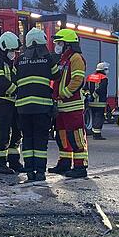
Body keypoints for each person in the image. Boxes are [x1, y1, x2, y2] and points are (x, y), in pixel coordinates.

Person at [15, 28, 59, 182]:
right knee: (40, 140)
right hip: (42, 107)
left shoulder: (19, 60)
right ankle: (40, 172)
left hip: (23, 108)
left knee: (27, 139)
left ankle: (29, 171)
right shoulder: (48, 58)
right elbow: (57, 75)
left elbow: (14, 78)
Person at [48, 29, 88, 179]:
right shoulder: (62, 59)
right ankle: (64, 163)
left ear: (68, 44)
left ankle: (80, 166)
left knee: (76, 136)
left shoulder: (76, 58)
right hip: (61, 106)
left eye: (59, 43)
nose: (57, 45)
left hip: (72, 106)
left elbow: (77, 80)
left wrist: (63, 93)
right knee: (62, 136)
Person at [0, 31, 24, 175]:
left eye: (15, 51)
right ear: (3, 47)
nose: (13, 53)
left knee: (16, 134)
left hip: (12, 103)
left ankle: (14, 162)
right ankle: (0, 164)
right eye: (11, 51)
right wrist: (17, 90)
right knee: (2, 134)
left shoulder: (9, 62)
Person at [85, 62, 110, 140]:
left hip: (91, 102)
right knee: (99, 118)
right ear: (103, 70)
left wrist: (89, 96)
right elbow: (102, 89)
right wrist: (94, 96)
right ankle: (97, 135)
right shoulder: (104, 78)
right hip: (100, 102)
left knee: (93, 117)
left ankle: (94, 132)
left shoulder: (89, 77)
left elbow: (85, 88)